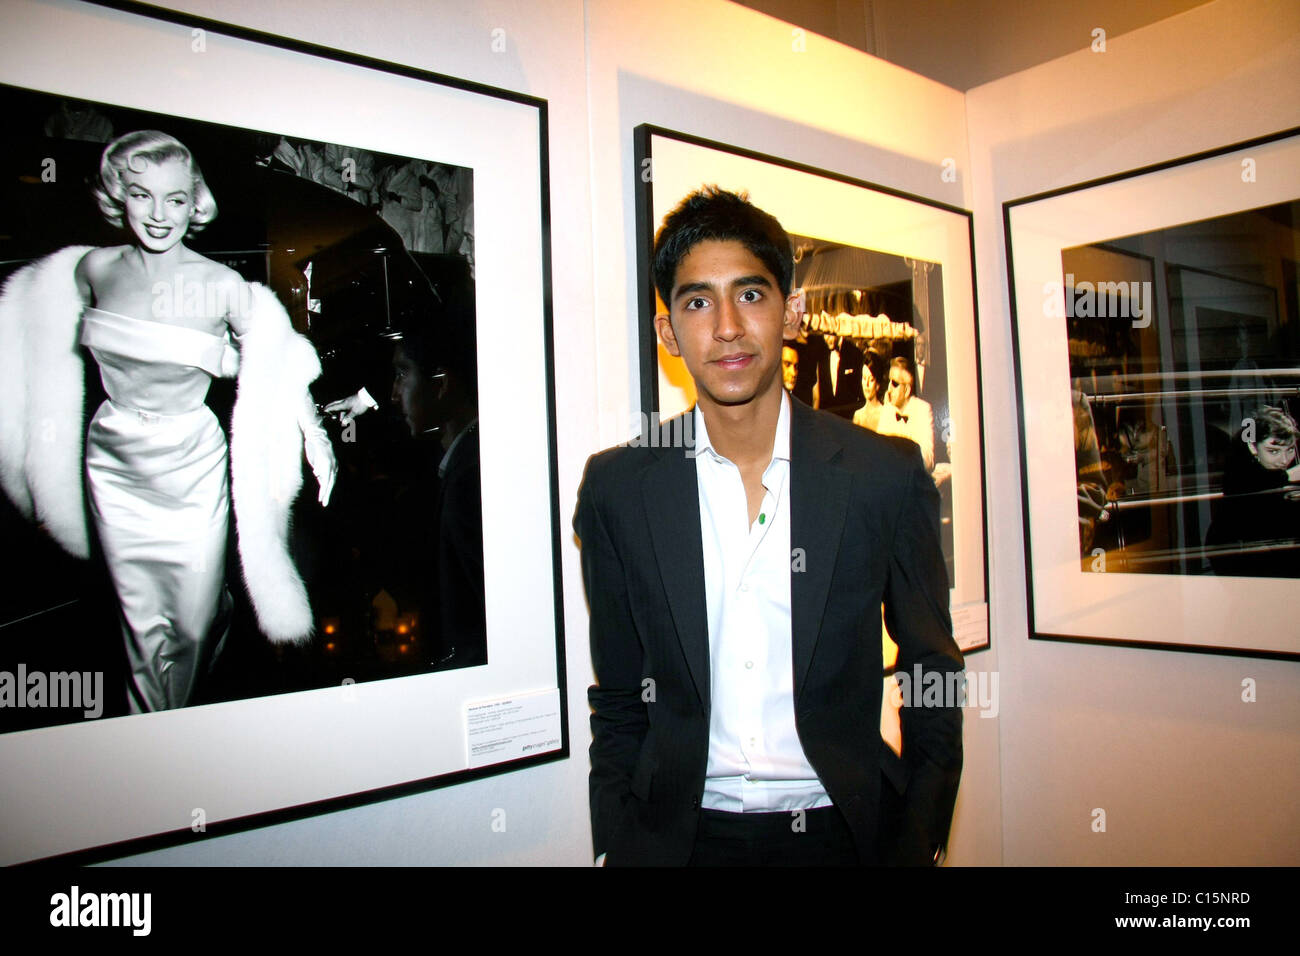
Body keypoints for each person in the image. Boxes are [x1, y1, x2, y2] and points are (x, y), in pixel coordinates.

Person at [574, 186, 963, 866]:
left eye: (751, 295)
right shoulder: (619, 490)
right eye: (697, 302)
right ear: (668, 332)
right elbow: (618, 697)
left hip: (844, 836)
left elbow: (934, 666)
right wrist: (616, 841)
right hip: (682, 844)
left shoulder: (882, 474)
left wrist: (923, 834)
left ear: (792, 313)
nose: (727, 326)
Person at [0, 130, 336, 712]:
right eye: (141, 195)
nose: (158, 215)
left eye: (175, 199)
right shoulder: (93, 270)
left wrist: (314, 430)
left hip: (192, 464)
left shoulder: (222, 285)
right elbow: (30, 316)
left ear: (194, 201)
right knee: (144, 629)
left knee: (193, 621)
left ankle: (216, 617)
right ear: (117, 195)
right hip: (116, 462)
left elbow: (275, 356)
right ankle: (156, 744)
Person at [875, 355, 935, 472]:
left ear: (907, 390)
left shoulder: (923, 409)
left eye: (894, 384)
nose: (889, 389)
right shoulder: (888, 409)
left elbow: (928, 460)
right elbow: (878, 451)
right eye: (888, 382)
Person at [852, 349, 888, 433]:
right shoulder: (858, 416)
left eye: (871, 380)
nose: (866, 384)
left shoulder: (885, 413)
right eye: (864, 378)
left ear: (878, 384)